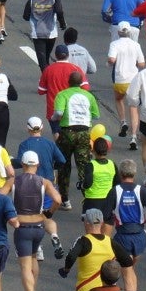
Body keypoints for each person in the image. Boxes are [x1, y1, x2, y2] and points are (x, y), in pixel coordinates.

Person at [11, 149, 65, 291]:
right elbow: (57, 200)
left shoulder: (14, 181)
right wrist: (48, 214)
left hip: (23, 226)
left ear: (23, 165)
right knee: (34, 258)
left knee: (25, 266)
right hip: (39, 226)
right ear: (37, 165)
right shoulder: (44, 181)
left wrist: (8, 215)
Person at [60, 208, 136, 291]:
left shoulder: (83, 241)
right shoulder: (110, 242)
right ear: (102, 222)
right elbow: (127, 261)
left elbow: (71, 257)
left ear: (87, 223)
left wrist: (66, 270)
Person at [54, 71, 101, 211]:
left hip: (67, 132)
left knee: (64, 164)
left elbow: (58, 113)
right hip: (84, 133)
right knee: (84, 166)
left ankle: (65, 200)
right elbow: (96, 115)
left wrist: (54, 118)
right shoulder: (89, 96)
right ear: (81, 83)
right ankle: (87, 199)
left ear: (68, 82)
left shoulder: (62, 95)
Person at [108, 22, 146, 143]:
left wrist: (111, 62)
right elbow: (142, 64)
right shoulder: (136, 45)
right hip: (134, 81)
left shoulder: (114, 44)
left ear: (119, 32)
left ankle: (123, 121)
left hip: (120, 79)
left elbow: (112, 59)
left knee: (119, 99)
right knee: (134, 107)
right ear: (129, 32)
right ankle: (134, 136)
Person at [23, 0, 65, 71]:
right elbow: (59, 12)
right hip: (51, 33)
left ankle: (46, 80)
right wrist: (62, 24)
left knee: (42, 61)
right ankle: (47, 78)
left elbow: (25, 16)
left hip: (37, 34)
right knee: (46, 58)